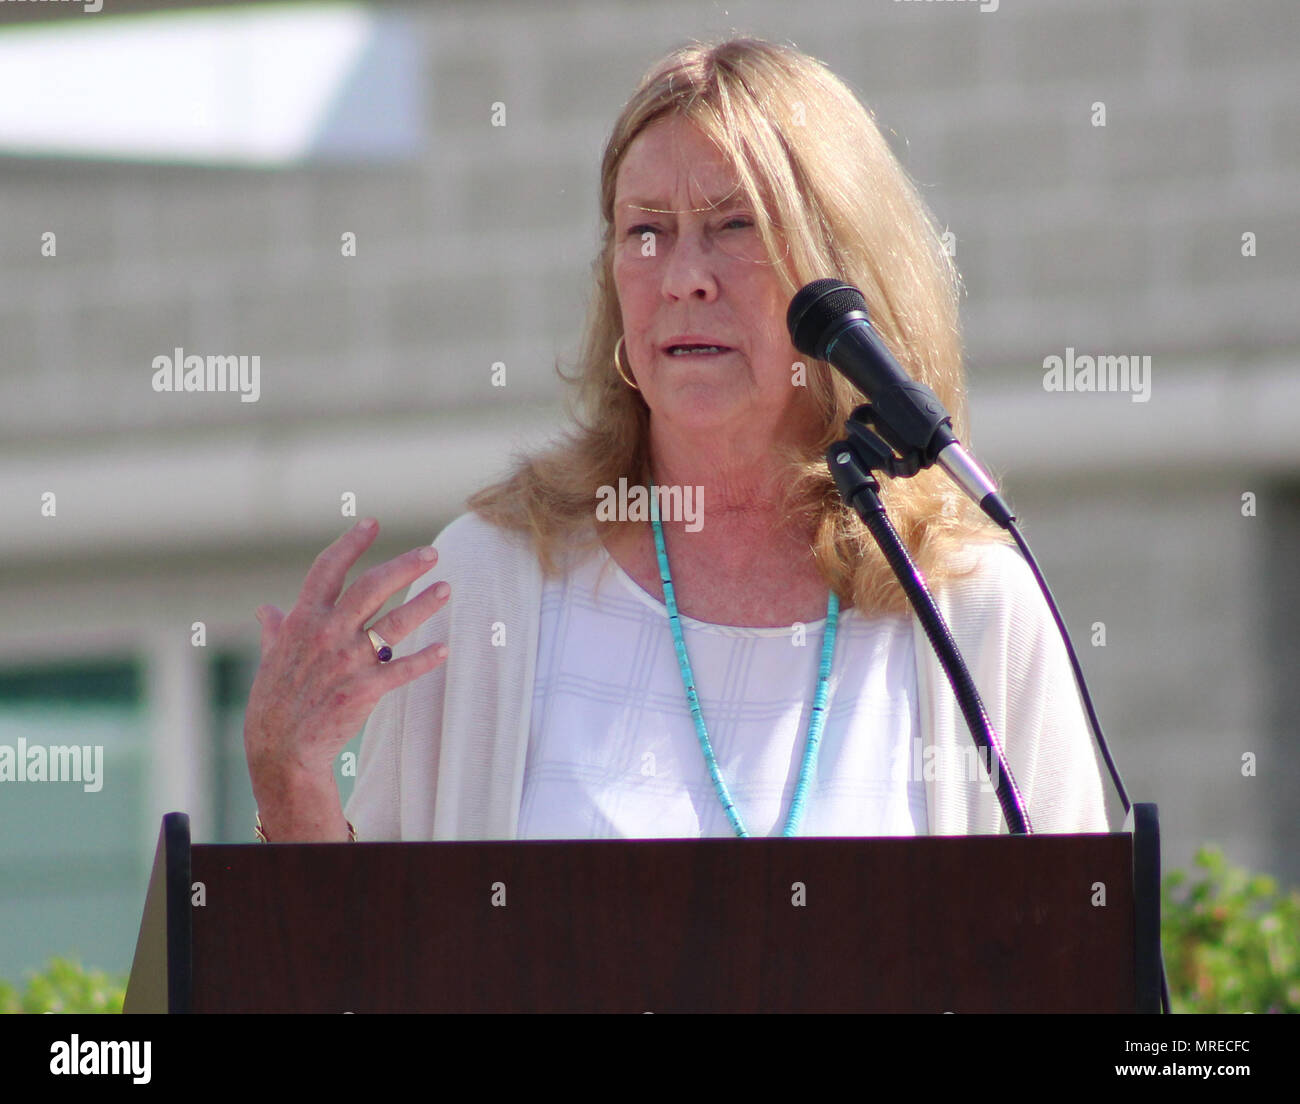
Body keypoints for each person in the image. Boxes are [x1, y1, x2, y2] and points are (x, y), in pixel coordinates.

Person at [243, 37, 1109, 843]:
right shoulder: (491, 587)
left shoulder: (969, 611)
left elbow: (1073, 957)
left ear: (841, 269)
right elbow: (370, 962)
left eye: (734, 226)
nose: (684, 278)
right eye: (645, 231)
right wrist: (290, 787)